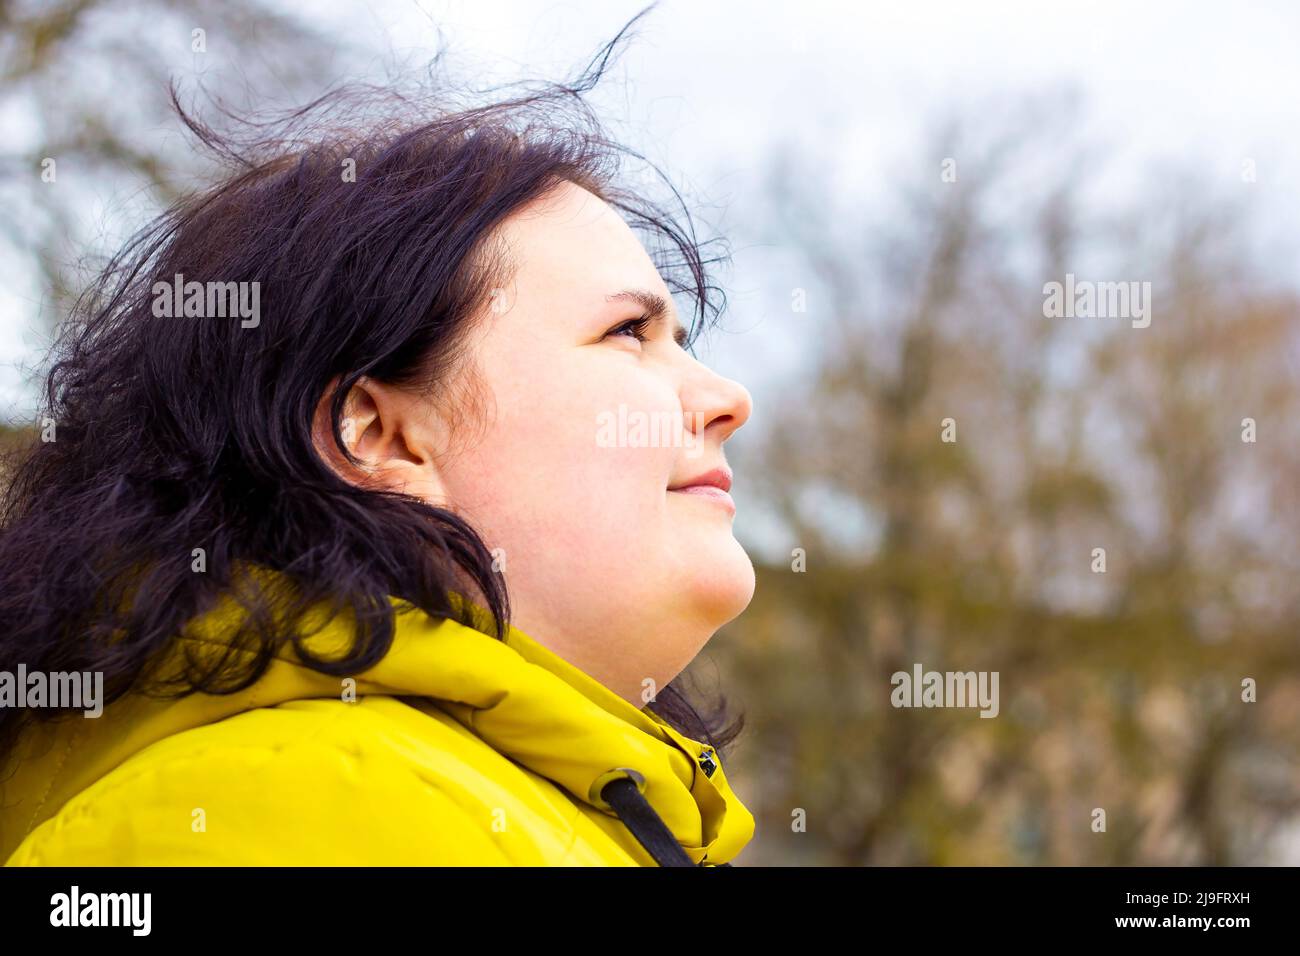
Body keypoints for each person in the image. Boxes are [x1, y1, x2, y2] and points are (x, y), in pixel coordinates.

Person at [0, 25, 757, 867]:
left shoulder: (473, 801)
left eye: (682, 341)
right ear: (379, 434)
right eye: (628, 332)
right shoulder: (305, 810)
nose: (729, 399)